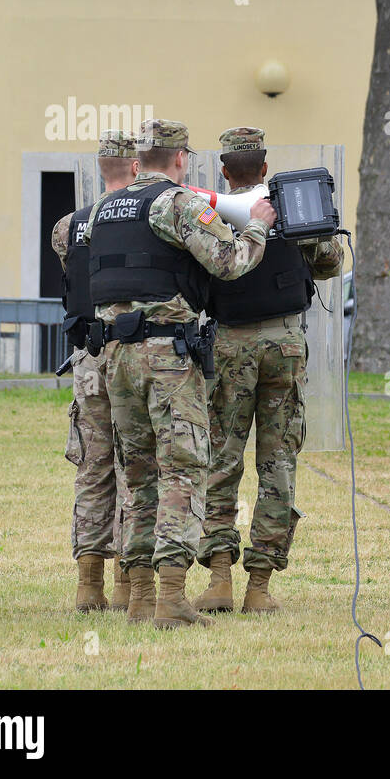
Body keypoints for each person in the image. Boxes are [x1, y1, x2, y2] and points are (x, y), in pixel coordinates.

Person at [85, 118, 276, 629]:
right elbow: (230, 261)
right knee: (183, 470)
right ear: (179, 158)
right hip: (167, 357)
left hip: (116, 358)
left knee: (138, 474)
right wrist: (257, 222)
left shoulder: (106, 209)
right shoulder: (174, 203)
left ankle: (140, 598)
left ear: (136, 159)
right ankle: (171, 598)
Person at [195, 128, 344, 614]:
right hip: (285, 343)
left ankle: (219, 579)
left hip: (230, 344)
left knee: (223, 457)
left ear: (223, 171)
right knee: (278, 462)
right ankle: (259, 587)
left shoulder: (208, 214)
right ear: (264, 168)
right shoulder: (287, 207)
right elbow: (328, 265)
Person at [51, 130, 138, 612]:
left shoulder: (68, 225)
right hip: (130, 351)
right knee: (133, 464)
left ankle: (89, 585)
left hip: (87, 358)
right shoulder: (146, 217)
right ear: (136, 167)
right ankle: (126, 581)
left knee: (91, 465)